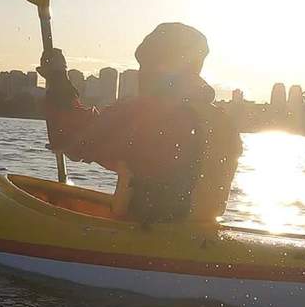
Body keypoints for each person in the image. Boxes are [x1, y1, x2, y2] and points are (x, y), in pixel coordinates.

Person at [39, 22, 241, 224]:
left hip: (144, 235)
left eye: (146, 64)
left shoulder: (147, 115)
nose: (141, 74)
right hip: (201, 235)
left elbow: (72, 138)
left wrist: (58, 80)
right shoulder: (222, 121)